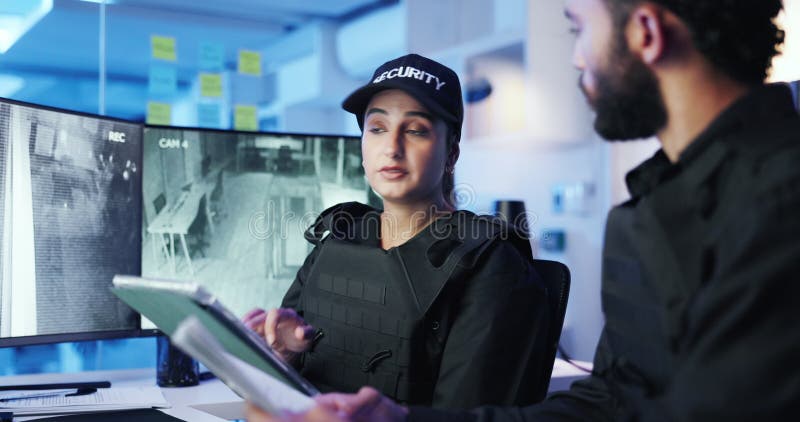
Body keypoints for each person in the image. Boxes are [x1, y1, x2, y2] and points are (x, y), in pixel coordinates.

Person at [246, 0, 800, 420]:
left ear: (646, 32)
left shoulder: (774, 207)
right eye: (376, 128)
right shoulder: (655, 208)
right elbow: (614, 399)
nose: (576, 57)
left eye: (578, 28)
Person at [244, 53, 551, 410]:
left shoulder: (491, 267)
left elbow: (465, 417)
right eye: (377, 128)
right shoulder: (338, 238)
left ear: (451, 153)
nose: (391, 148)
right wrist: (284, 356)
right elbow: (294, 380)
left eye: (416, 130)